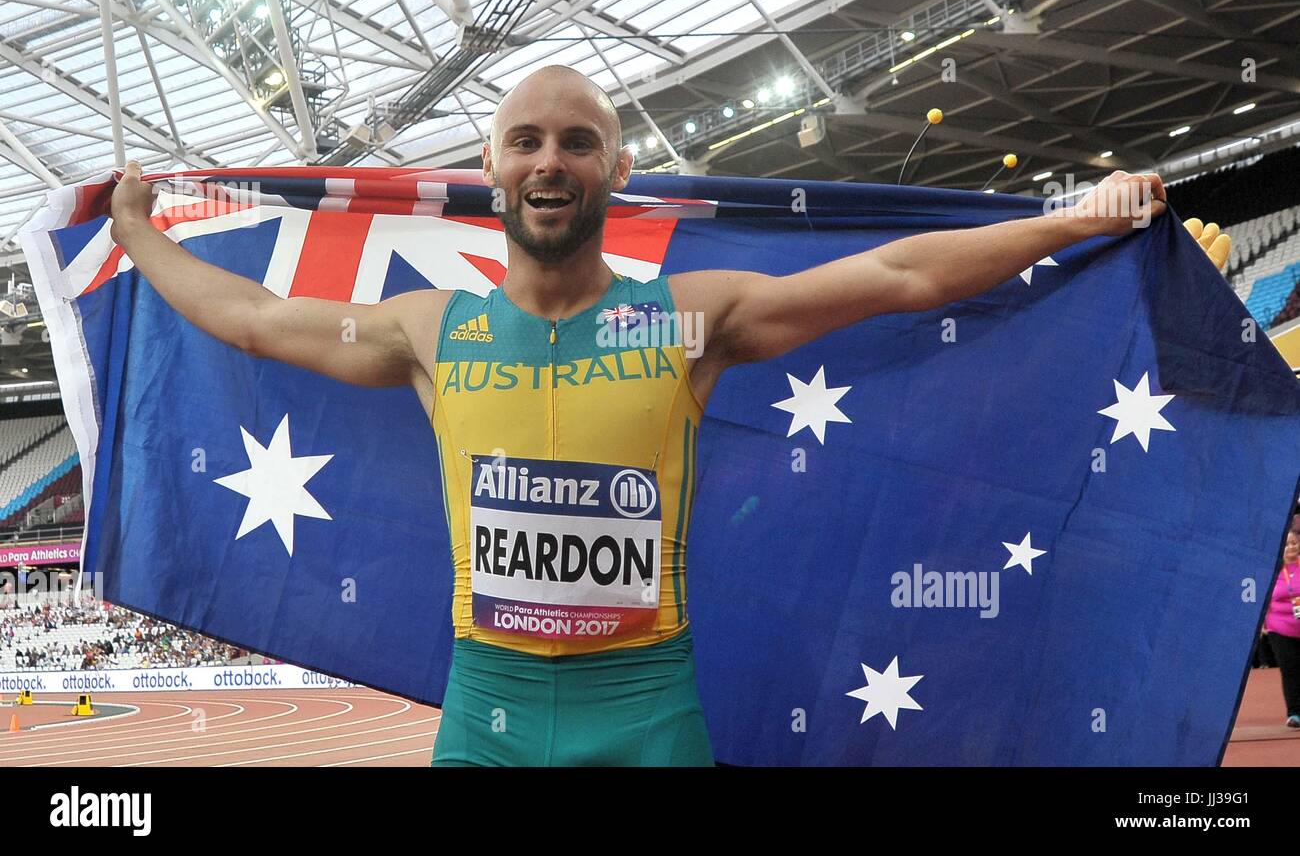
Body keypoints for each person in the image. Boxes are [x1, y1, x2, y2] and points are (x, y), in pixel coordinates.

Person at [108, 64, 1222, 767]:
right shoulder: (426, 331)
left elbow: (899, 278)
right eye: (528, 140)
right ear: (490, 167)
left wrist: (1074, 218)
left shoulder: (684, 321)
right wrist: (139, 233)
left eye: (577, 141)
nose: (552, 158)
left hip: (645, 718)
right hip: (485, 712)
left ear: (615, 170)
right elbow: (253, 315)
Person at [1266, 518, 1300, 727]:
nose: (1291, 548)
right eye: (1286, 544)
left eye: (1294, 544)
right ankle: (1295, 712)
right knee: (1291, 669)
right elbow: (1256, 597)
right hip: (1280, 628)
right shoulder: (1271, 571)